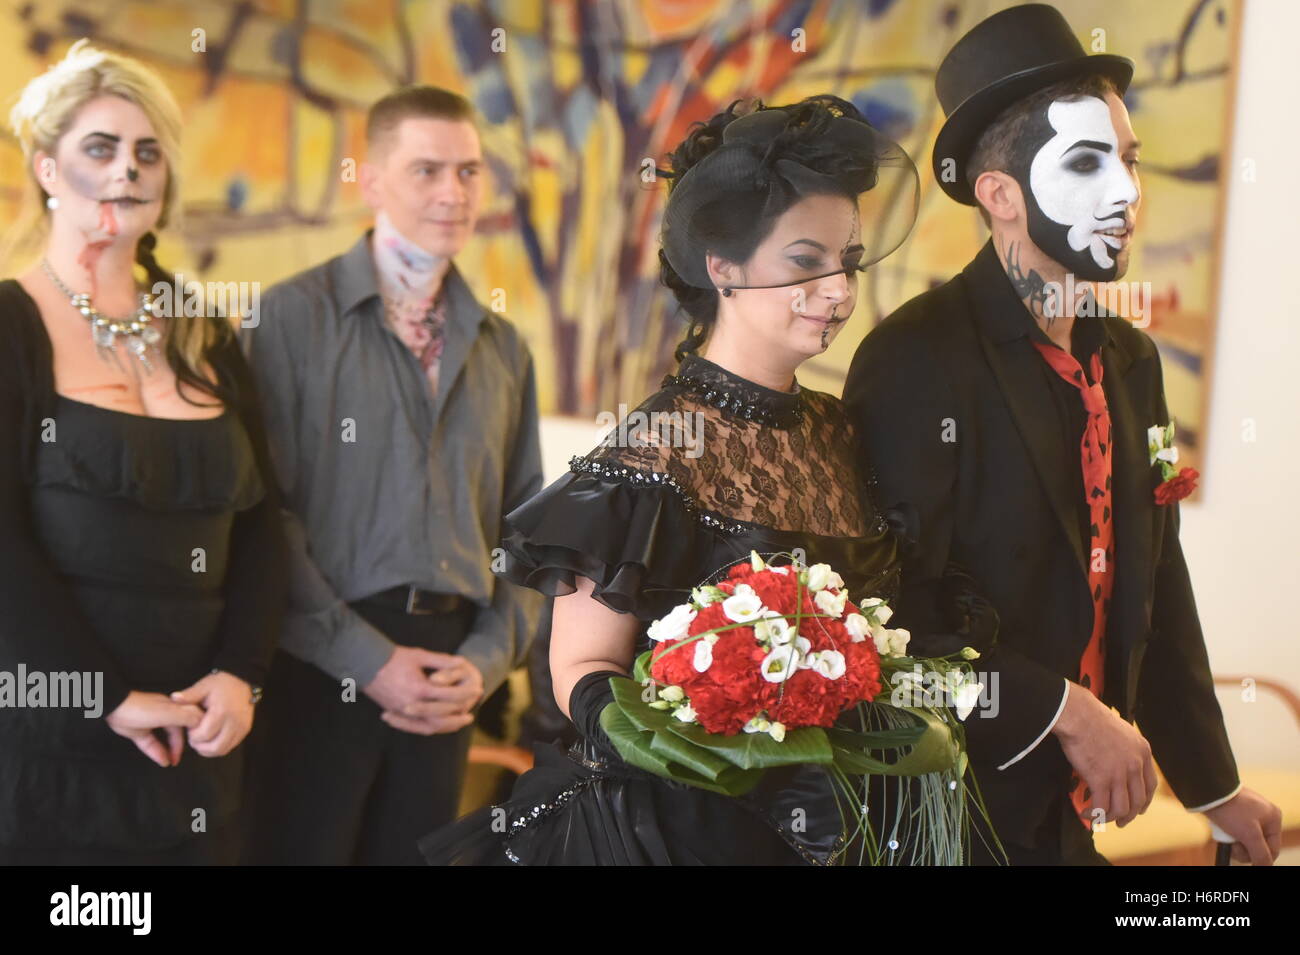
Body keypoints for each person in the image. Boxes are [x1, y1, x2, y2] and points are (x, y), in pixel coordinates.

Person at [418, 95, 999, 866]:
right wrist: (710, 756)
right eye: (805, 262)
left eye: (848, 263)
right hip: (664, 834)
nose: (838, 292)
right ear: (722, 269)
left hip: (843, 829)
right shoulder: (659, 444)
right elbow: (579, 671)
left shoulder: (844, 431)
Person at [843, 3, 1282, 865]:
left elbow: (1154, 579)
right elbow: (886, 626)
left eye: (1128, 159)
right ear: (998, 194)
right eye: (1087, 163)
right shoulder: (914, 359)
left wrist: (1214, 785)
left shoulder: (1130, 358)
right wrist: (1060, 707)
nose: (1127, 192)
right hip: (949, 816)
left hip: (1070, 824)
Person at [241, 85, 546, 865]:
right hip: (318, 665)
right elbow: (262, 517)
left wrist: (480, 665)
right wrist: (367, 662)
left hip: (451, 677)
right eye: (427, 170)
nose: (453, 193)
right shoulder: (285, 320)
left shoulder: (505, 348)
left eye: (470, 172)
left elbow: (530, 530)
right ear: (370, 180)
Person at [0, 39, 286, 864]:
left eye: (146, 153)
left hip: (201, 735)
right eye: (101, 148)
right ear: (48, 169)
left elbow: (264, 523)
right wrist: (109, 697)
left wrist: (241, 672)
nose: (127, 168)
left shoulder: (206, 333)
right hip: (53, 738)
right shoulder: (9, 326)